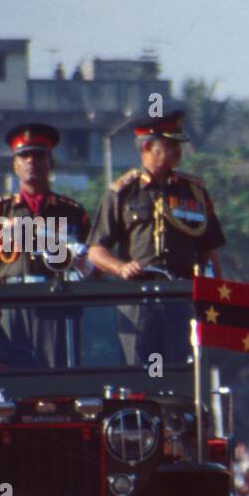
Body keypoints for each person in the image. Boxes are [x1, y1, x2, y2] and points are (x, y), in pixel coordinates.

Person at [86, 110, 227, 364]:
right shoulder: (122, 192)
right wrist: (121, 268)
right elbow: (96, 250)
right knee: (141, 373)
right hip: (139, 298)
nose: (178, 150)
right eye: (170, 144)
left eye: (178, 144)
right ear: (148, 146)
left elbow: (209, 252)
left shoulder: (193, 191)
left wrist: (216, 299)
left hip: (181, 298)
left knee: (183, 374)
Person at [0, 123, 92, 367]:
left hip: (55, 306)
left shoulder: (72, 212)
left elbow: (90, 268)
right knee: (14, 379)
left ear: (51, 163)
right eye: (24, 156)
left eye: (38, 155)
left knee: (56, 379)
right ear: (15, 165)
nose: (31, 162)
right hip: (12, 309)